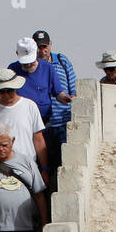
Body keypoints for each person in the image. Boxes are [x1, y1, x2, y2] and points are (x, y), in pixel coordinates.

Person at [0, 68, 48, 180]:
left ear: (16, 88)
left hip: (26, 168)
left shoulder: (29, 106)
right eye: (2, 91)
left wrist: (45, 169)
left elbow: (38, 139)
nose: (6, 95)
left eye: (10, 91)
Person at [34, 30, 76, 190]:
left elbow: (72, 88)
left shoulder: (61, 60)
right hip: (43, 125)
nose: (42, 50)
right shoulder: (33, 67)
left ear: (50, 46)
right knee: (46, 165)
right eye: (38, 47)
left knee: (64, 163)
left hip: (63, 121)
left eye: (44, 46)